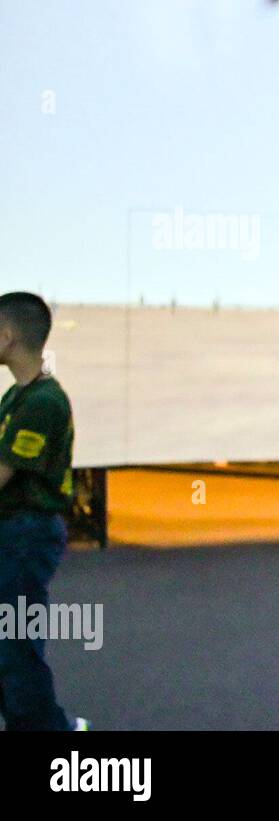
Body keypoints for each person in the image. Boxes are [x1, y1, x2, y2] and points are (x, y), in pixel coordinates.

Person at [0, 292, 84, 731]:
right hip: (12, 530)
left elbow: (2, 473)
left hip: (26, 534)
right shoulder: (17, 396)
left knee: (14, 642)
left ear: (8, 336)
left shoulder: (42, 403)